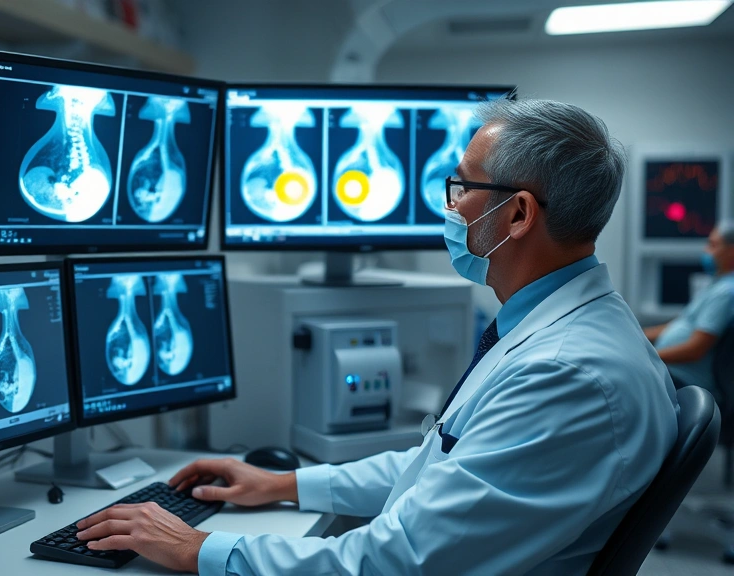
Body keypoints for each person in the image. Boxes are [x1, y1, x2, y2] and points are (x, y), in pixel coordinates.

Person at [75, 99, 680, 575]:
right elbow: (440, 467)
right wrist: (285, 484)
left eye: (463, 188)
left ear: (519, 215)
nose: (452, 207)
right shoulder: (566, 330)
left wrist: (198, 548)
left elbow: (392, 564)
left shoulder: (565, 374)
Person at [644, 222, 734, 393]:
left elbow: (695, 350)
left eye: (713, 245)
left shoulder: (726, 292)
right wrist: (635, 334)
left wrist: (648, 357)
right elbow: (679, 325)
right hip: (671, 372)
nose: (706, 251)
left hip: (686, 382)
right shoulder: (715, 285)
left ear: (732, 251)